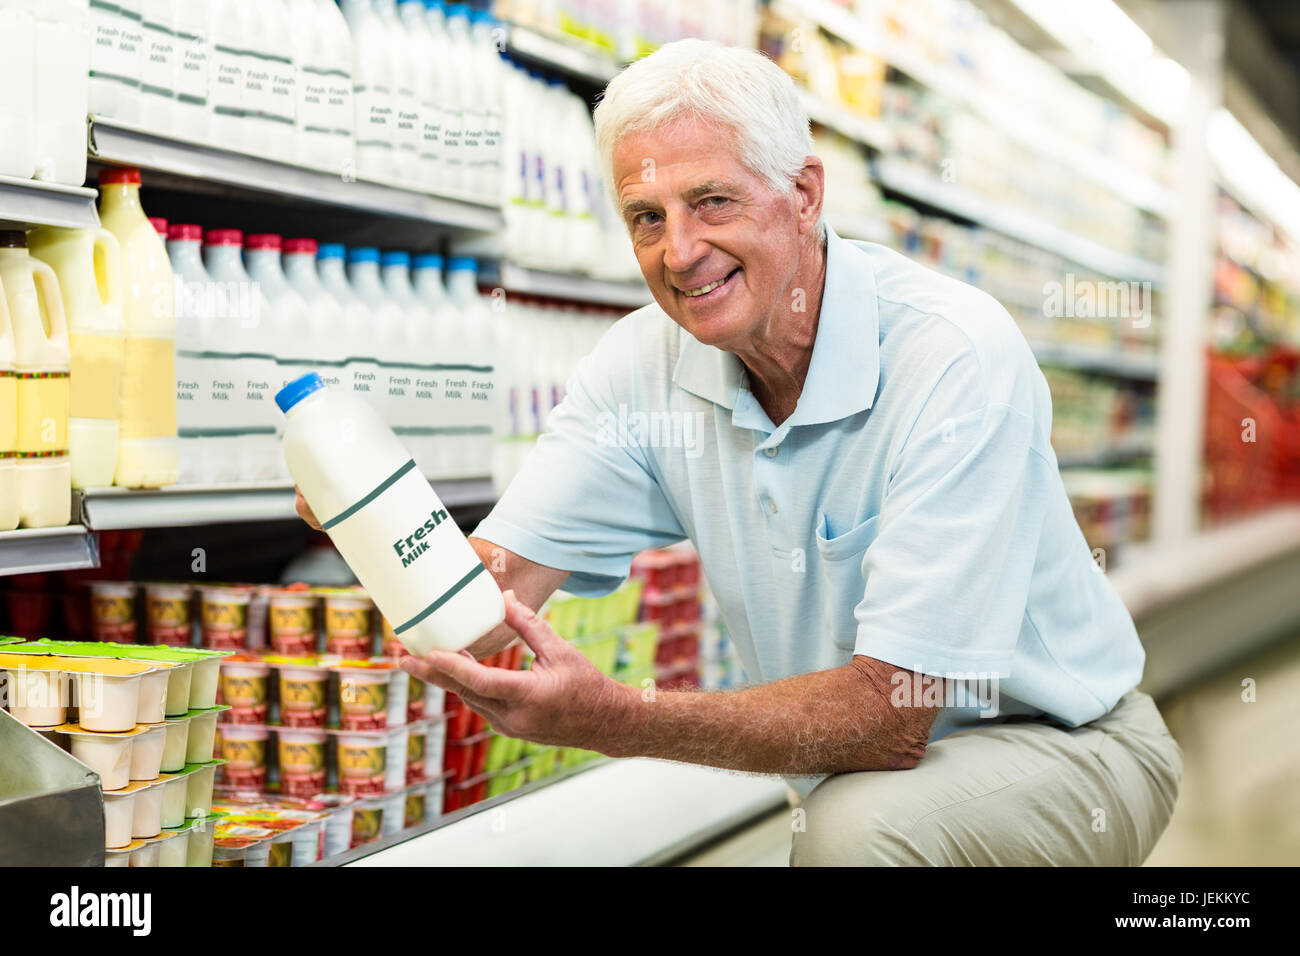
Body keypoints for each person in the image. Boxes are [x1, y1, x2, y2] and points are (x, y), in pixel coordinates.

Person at [296, 39, 1182, 865]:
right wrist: (383, 531)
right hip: (872, 771)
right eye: (646, 216)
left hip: (1067, 744)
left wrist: (617, 718)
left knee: (855, 833)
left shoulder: (951, 356)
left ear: (803, 193)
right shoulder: (641, 365)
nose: (679, 253)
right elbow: (490, 602)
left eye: (711, 202)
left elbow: (892, 718)